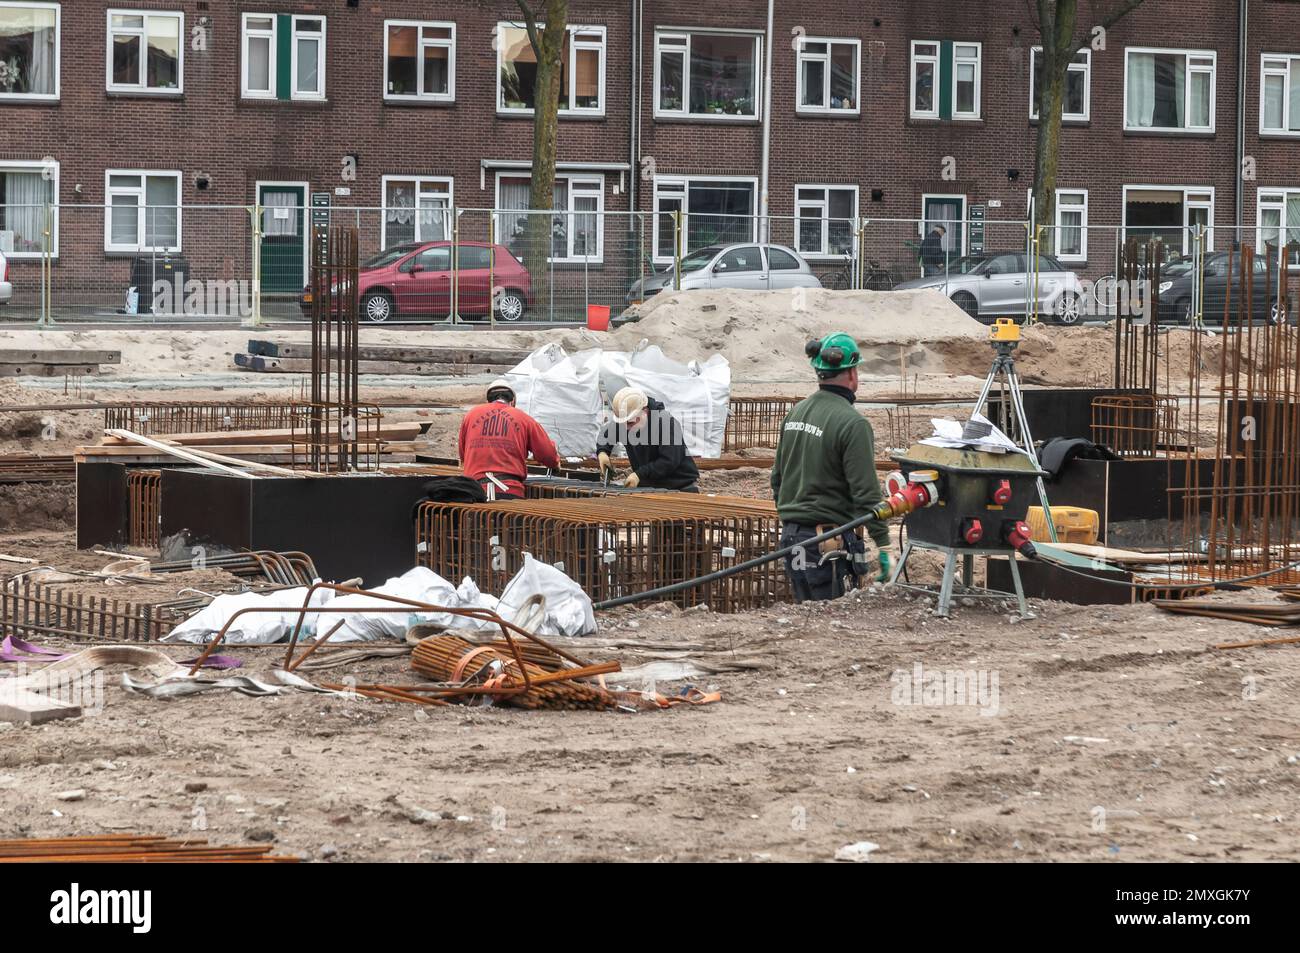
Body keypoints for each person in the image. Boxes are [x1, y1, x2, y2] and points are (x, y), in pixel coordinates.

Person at [771, 332, 892, 602]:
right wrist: (883, 543)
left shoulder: (796, 412)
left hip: (792, 539)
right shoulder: (852, 423)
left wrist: (793, 521)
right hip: (827, 542)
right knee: (826, 624)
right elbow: (866, 494)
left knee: (804, 618)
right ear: (852, 374)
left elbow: (777, 479)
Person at [458, 379, 559, 500]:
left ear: (488, 401)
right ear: (513, 401)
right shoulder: (524, 418)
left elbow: (463, 455)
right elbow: (547, 454)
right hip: (509, 491)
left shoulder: (471, 415)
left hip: (474, 491)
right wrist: (555, 464)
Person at [596, 386, 700, 491]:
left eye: (630, 423)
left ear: (645, 412)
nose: (626, 428)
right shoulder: (626, 421)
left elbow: (668, 462)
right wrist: (602, 452)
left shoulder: (666, 423)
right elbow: (606, 435)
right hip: (648, 487)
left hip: (678, 486)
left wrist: (639, 475)